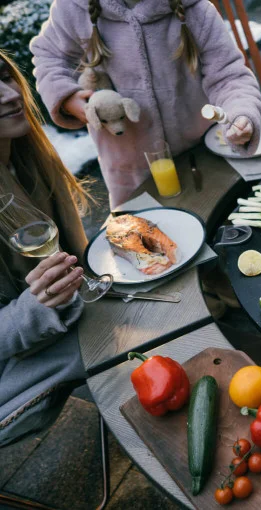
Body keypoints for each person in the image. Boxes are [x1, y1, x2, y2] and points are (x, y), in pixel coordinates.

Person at [30, 0, 261, 207]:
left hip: (203, 158)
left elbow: (229, 76)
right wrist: (67, 97)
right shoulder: (73, 7)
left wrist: (239, 112)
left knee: (214, 221)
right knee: (148, 248)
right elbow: (49, 56)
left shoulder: (197, 10)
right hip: (129, 171)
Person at [0, 51, 91, 446]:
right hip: (13, 375)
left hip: (63, 322)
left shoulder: (27, 160)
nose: (9, 95)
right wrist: (35, 307)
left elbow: (81, 259)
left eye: (5, 77)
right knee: (139, 328)